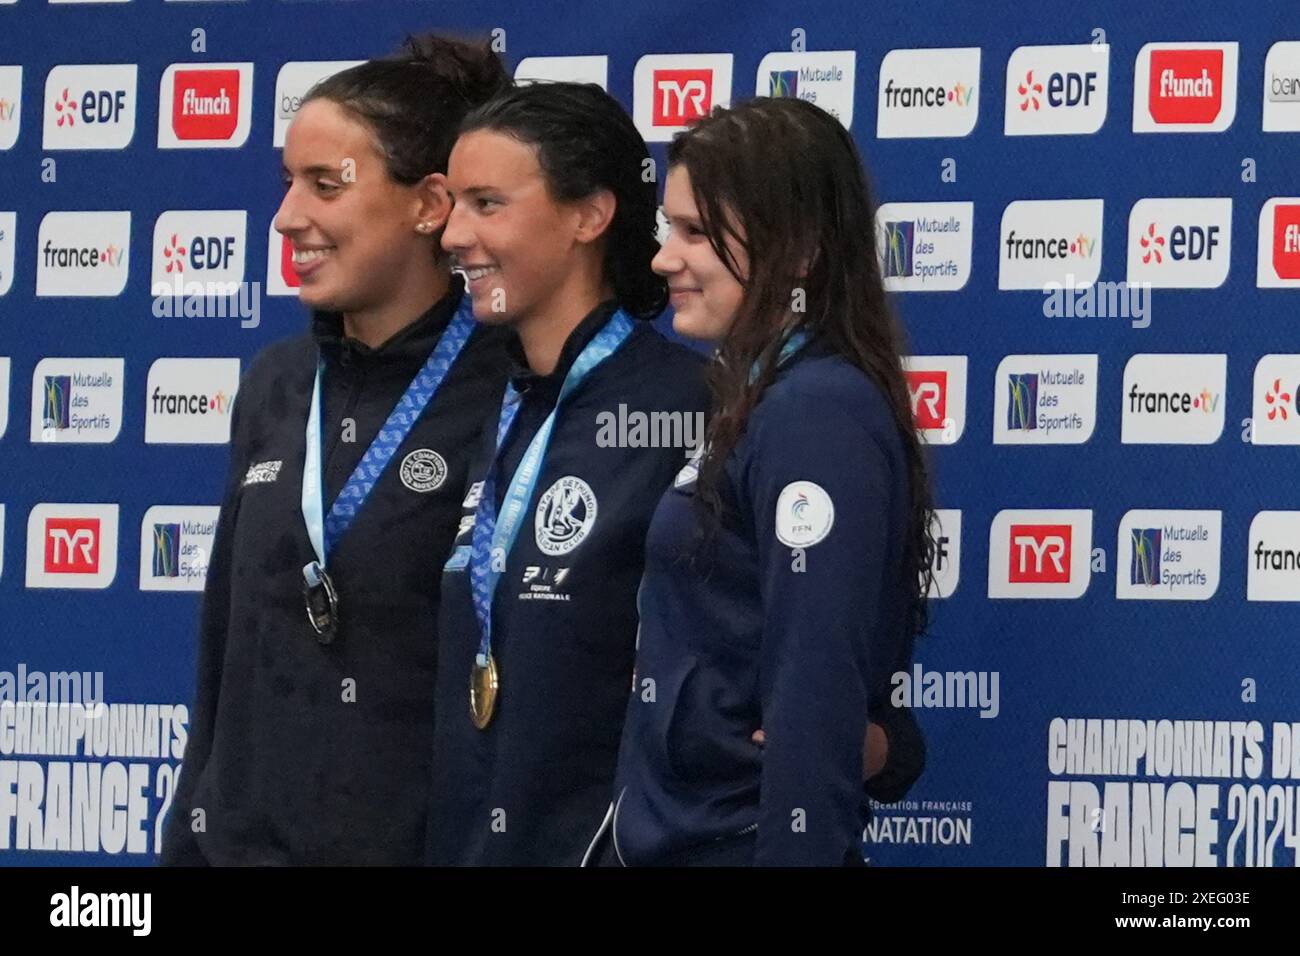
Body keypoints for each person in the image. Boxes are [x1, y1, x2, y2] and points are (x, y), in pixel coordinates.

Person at [161, 35, 513, 865]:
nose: (287, 217)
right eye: (288, 183)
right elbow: (225, 647)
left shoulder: (509, 384)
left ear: (430, 205)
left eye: (326, 185)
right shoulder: (280, 381)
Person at [600, 96, 937, 866]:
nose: (662, 259)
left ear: (802, 250)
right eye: (666, 229)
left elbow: (816, 686)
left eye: (694, 232)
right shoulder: (765, 397)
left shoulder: (817, 409)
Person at [425, 82, 712, 866]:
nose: (453, 234)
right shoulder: (502, 402)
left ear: (589, 215)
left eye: (487, 204)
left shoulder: (689, 406)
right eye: (454, 205)